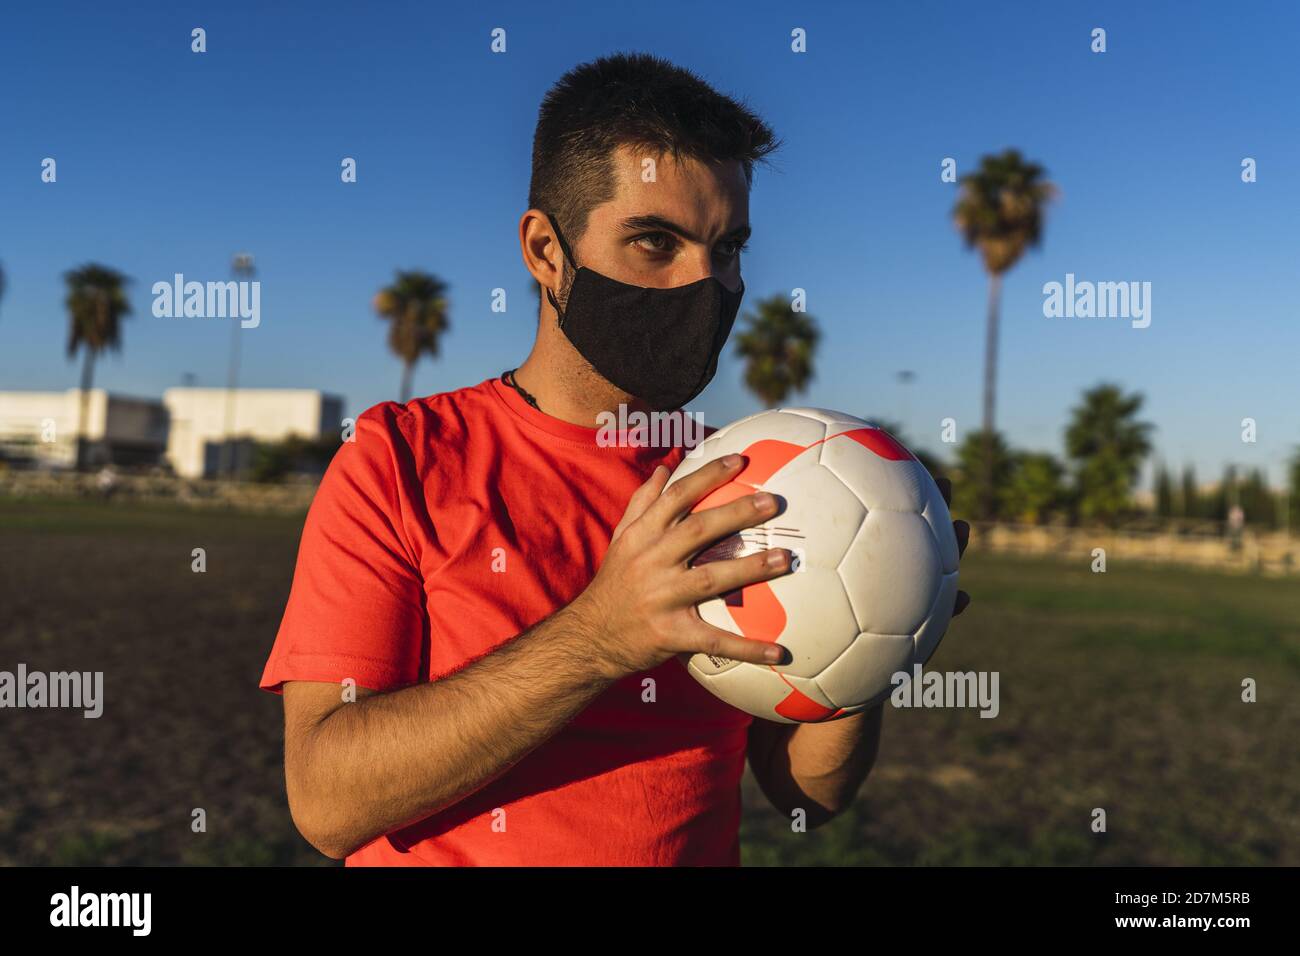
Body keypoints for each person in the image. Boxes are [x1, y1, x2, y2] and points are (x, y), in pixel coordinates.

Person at [259, 52, 970, 866]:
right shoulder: (400, 460)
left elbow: (805, 794)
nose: (705, 283)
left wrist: (877, 634)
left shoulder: (751, 483)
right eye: (655, 241)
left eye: (727, 247)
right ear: (545, 249)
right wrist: (601, 636)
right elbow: (325, 800)